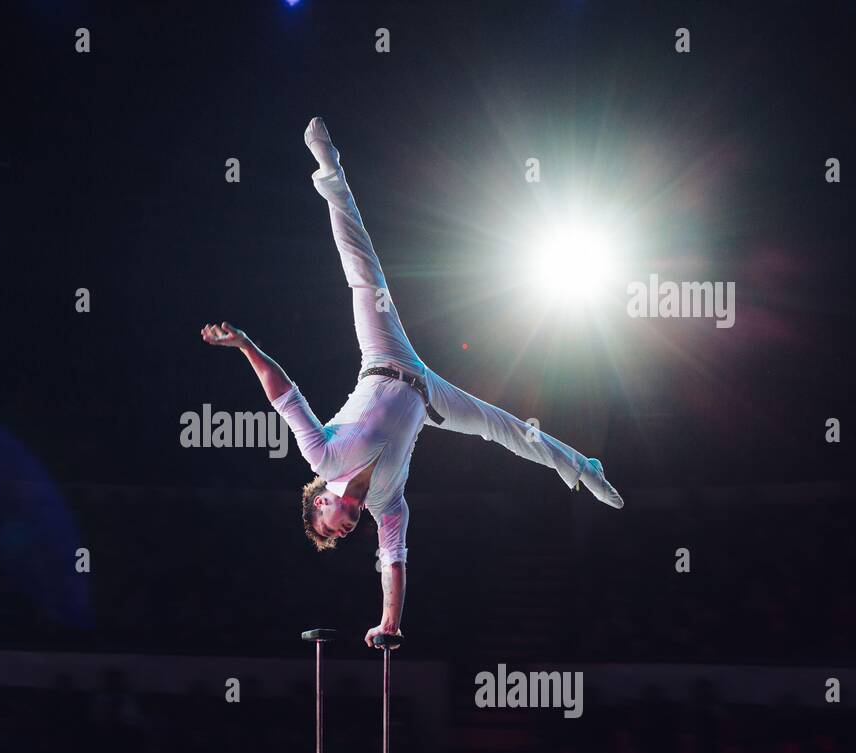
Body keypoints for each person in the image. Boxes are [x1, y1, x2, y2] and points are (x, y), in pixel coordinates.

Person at [201, 118, 623, 648]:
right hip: (430, 398)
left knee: (364, 275)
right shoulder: (387, 503)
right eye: (344, 536)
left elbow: (282, 392)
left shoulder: (323, 457)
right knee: (506, 429)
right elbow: (393, 563)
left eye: (333, 525)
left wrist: (244, 346)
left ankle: (330, 172)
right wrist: (390, 623)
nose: (346, 528)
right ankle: (584, 464)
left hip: (384, 356)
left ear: (319, 502)